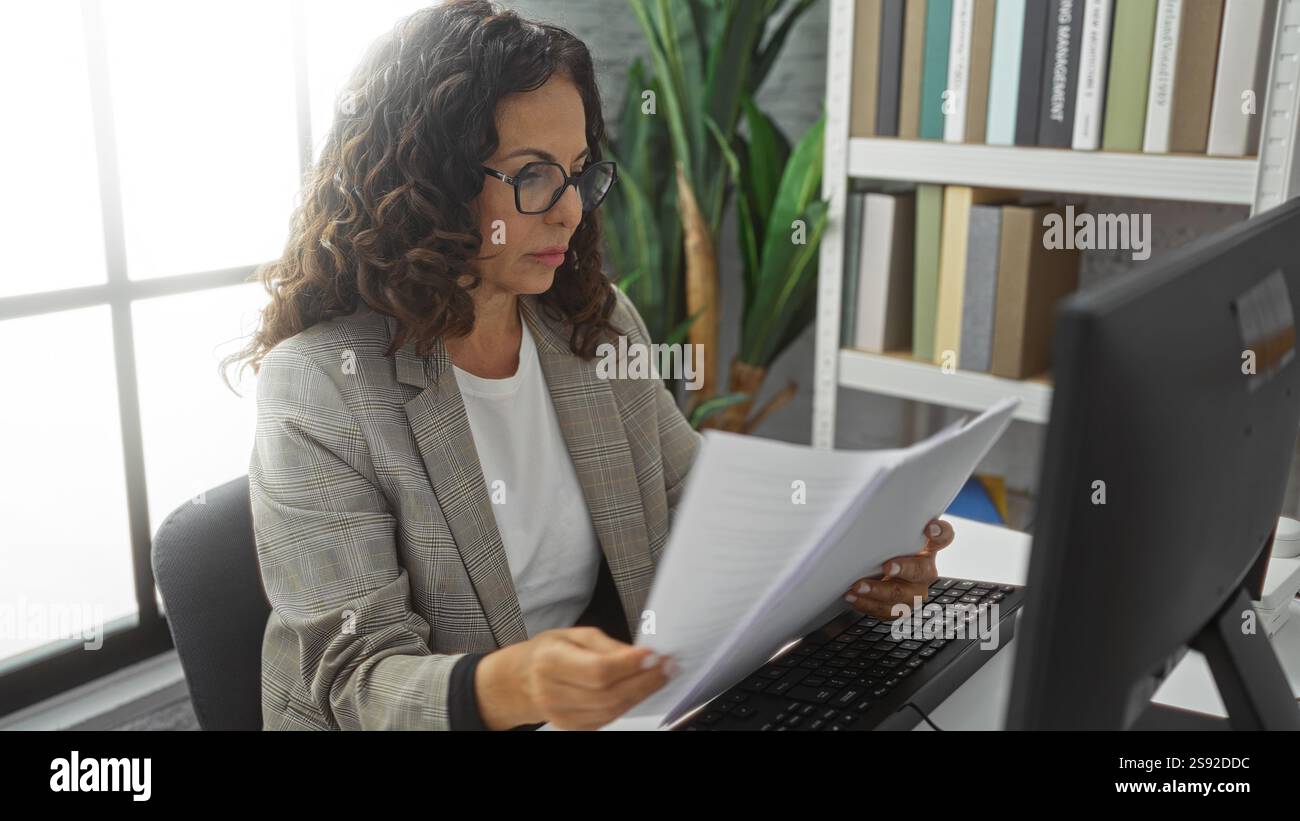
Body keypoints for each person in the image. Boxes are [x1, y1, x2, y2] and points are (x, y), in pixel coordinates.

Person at [225, 0, 955, 731]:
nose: (569, 211)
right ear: (432, 180)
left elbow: (702, 509)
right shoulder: (320, 386)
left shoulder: (593, 326)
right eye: (533, 175)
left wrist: (858, 564)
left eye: (577, 173)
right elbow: (356, 683)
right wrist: (521, 681)